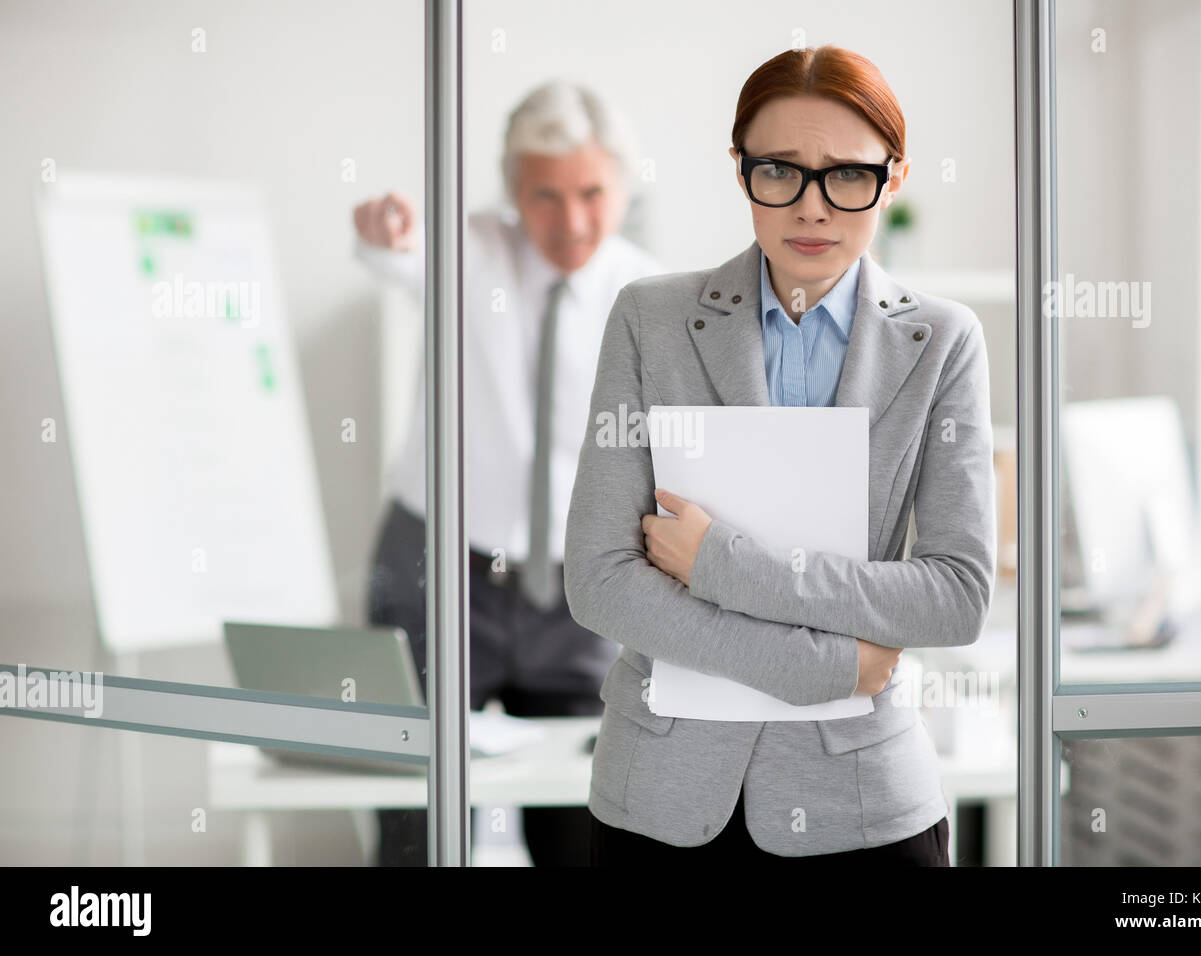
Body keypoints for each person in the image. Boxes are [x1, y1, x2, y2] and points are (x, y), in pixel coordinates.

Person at [565, 45, 996, 866]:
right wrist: (820, 666)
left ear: (893, 177)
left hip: (863, 801)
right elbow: (599, 579)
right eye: (780, 172)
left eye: (847, 176)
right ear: (741, 171)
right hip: (663, 795)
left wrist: (720, 562)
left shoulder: (941, 342)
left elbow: (956, 596)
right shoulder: (649, 320)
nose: (812, 208)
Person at [354, 81, 663, 866]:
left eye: (593, 193)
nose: (572, 222)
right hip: (438, 571)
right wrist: (384, 234)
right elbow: (401, 252)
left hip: (578, 592)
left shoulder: (652, 296)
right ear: (512, 191)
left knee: (586, 824)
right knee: (416, 819)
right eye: (544, 197)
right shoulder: (469, 249)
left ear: (624, 186)